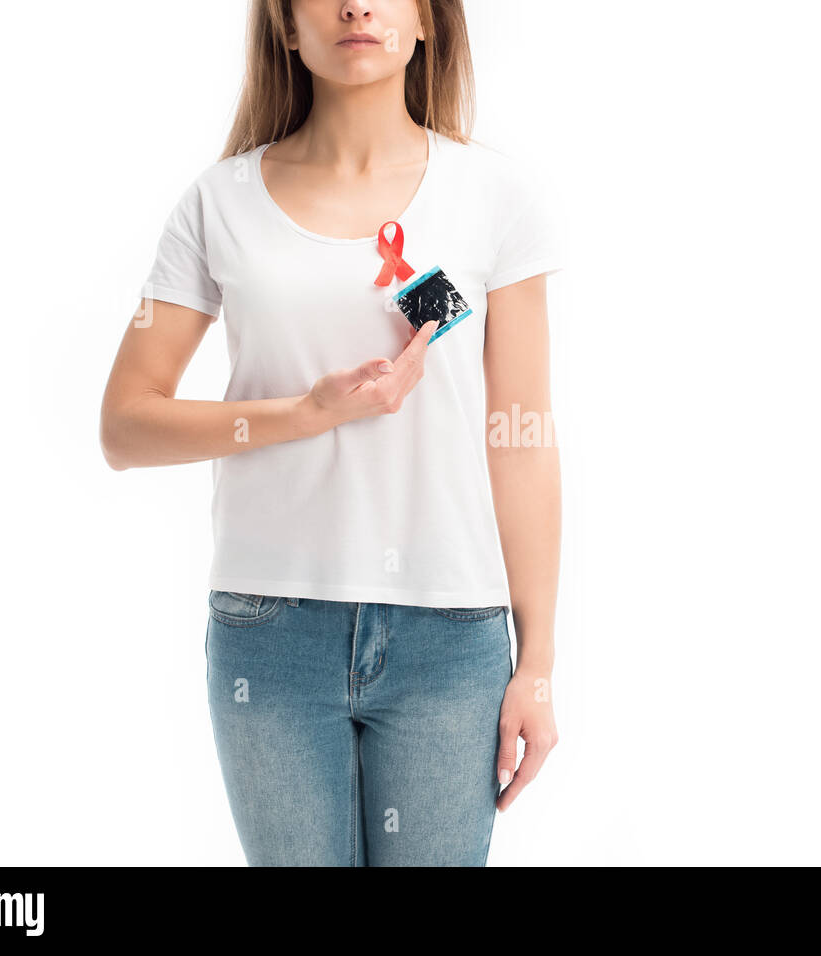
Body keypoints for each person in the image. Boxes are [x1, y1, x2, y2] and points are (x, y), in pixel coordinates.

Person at [99, 0, 562, 866]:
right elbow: (125, 427)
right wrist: (304, 416)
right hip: (269, 631)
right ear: (283, 26)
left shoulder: (497, 196)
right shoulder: (218, 203)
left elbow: (522, 435)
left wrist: (535, 663)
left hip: (451, 633)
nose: (356, 6)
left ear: (428, 21)